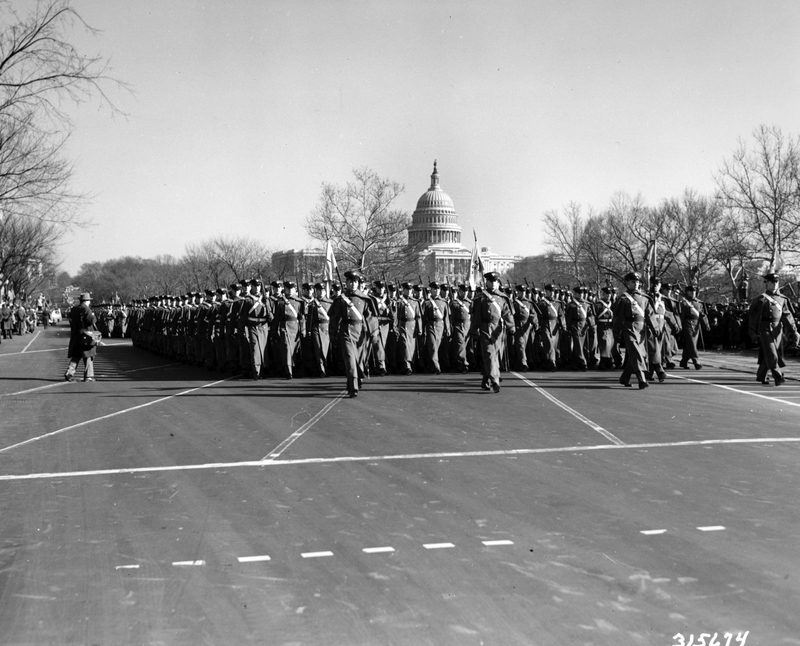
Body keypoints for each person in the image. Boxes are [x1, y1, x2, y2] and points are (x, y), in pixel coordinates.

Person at [328, 269, 378, 397]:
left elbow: (370, 317)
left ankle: (358, 377)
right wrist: (332, 334)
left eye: (355, 282)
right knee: (350, 359)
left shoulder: (365, 299)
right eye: (350, 282)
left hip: (361, 332)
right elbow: (334, 318)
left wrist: (374, 333)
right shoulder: (340, 300)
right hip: (346, 332)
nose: (353, 284)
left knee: (359, 359)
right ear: (346, 283)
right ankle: (352, 387)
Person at [748, 272, 800, 386]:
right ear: (766, 284)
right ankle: (778, 376)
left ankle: (761, 375)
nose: (775, 284)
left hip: (777, 329)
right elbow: (753, 318)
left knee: (772, 353)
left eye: (776, 282)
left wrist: (794, 330)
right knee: (772, 354)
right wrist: (752, 333)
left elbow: (787, 316)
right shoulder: (761, 299)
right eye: (772, 282)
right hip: (764, 328)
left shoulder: (782, 299)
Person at [468, 271, 515, 393]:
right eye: (491, 281)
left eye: (495, 281)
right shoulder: (481, 298)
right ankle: (495, 380)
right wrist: (473, 331)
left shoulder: (503, 297)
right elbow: (476, 316)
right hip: (485, 328)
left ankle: (486, 380)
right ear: (487, 282)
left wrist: (511, 327)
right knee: (489, 354)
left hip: (498, 330)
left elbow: (507, 314)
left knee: (495, 356)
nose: (493, 284)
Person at [613, 271, 650, 389]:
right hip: (629, 327)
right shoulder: (623, 298)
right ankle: (642, 379)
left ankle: (625, 377)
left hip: (642, 329)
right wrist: (616, 333)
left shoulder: (644, 298)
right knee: (636, 352)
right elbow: (618, 317)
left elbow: (648, 315)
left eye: (637, 282)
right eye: (633, 282)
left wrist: (654, 329)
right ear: (627, 283)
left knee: (638, 354)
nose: (636, 284)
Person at [65, 292, 99, 382]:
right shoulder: (87, 310)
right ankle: (89, 376)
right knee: (88, 355)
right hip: (86, 335)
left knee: (76, 356)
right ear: (87, 301)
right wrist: (92, 315)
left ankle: (69, 373)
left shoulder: (74, 309)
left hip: (76, 335)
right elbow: (92, 321)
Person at [679, 284, 709, 370]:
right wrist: (680, 325)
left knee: (691, 343)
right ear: (687, 292)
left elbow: (702, 314)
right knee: (691, 342)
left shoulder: (699, 302)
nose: (693, 293)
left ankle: (684, 361)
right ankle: (696, 361)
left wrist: (706, 324)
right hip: (687, 323)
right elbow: (682, 315)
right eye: (691, 291)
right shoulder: (684, 303)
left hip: (696, 324)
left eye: (694, 291)